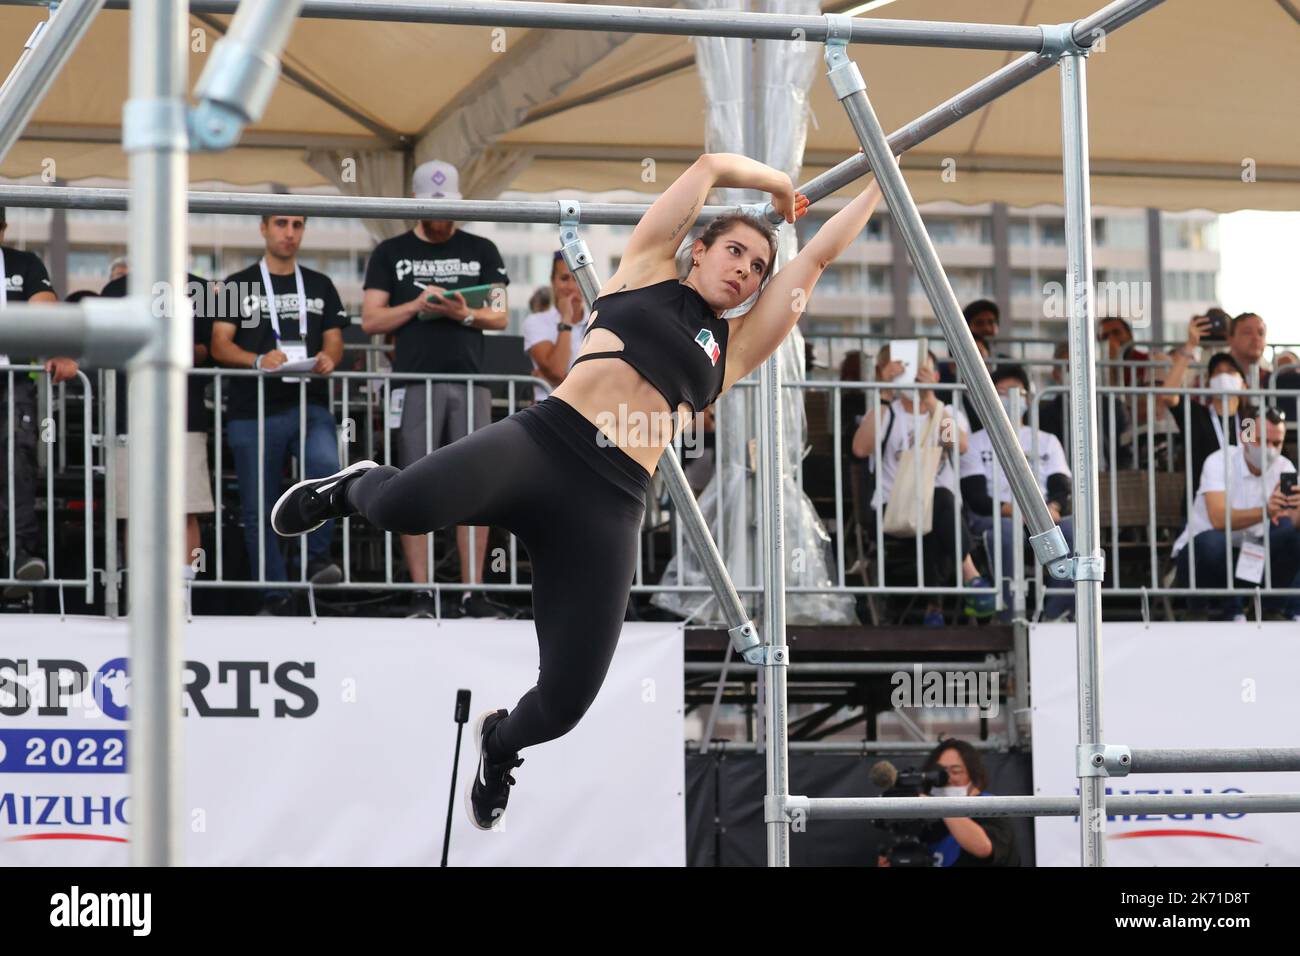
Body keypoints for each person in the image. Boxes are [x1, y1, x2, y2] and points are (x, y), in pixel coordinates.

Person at [271, 151, 877, 830]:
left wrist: (883, 170)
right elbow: (707, 166)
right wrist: (775, 185)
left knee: (565, 702)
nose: (744, 270)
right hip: (542, 446)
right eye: (734, 251)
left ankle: (499, 746)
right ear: (697, 252)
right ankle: (353, 486)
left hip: (609, 505)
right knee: (402, 507)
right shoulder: (646, 267)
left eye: (758, 267)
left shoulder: (733, 347)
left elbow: (817, 258)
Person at [361, 160, 511, 620]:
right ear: (416, 206)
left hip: (470, 381)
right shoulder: (389, 252)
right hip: (414, 381)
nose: (442, 218)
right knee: (413, 480)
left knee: (476, 485)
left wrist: (462, 312)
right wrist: (416, 305)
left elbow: (500, 315)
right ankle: (422, 592)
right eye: (432, 208)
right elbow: (371, 320)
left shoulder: (482, 247)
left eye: (448, 209)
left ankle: (471, 592)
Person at [210, 214, 347, 615]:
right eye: (282, 224)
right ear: (264, 228)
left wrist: (328, 358)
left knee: (326, 469)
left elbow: (335, 341)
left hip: (309, 404)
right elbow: (220, 345)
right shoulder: (235, 284)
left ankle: (317, 564)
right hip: (251, 409)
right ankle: (275, 594)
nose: (290, 232)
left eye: (298, 225)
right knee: (259, 504)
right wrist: (257, 360)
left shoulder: (320, 284)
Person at [850, 346, 994, 625]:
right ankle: (971, 575)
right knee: (937, 501)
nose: (911, 374)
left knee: (934, 508)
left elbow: (959, 445)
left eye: (920, 368)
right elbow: (860, 448)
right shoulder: (884, 413)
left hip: (938, 514)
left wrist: (929, 399)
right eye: (903, 367)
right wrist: (885, 393)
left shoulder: (946, 411)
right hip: (892, 509)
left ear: (935, 375)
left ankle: (933, 610)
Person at [100, 271, 216, 577]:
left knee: (185, 509)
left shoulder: (198, 288)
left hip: (185, 414)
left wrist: (177, 346)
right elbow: (104, 349)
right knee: (135, 512)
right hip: (130, 416)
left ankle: (184, 595)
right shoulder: (116, 289)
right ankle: (138, 596)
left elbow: (209, 349)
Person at [960, 365, 1075, 622]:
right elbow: (975, 496)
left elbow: (1061, 487)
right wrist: (1020, 512)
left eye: (1018, 392)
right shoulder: (975, 441)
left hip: (1044, 517)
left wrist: (1052, 508)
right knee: (1005, 533)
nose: (1011, 398)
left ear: (1029, 398)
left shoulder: (1047, 440)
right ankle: (1009, 617)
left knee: (1075, 531)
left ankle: (1056, 615)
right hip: (996, 517)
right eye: (1002, 392)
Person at [0, 207, 73, 599]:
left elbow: (45, 310)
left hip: (11, 381)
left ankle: (19, 557)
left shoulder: (23, 262)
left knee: (18, 461)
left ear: (3, 227)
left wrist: (57, 350)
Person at [1171, 407, 1300, 621]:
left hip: (1252, 557)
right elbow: (1219, 519)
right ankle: (1199, 610)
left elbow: (1293, 522)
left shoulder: (1284, 467)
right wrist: (1266, 511)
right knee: (1213, 543)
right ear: (1245, 437)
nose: (1269, 450)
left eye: (1276, 443)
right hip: (1203, 558)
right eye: (1261, 440)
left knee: (1293, 536)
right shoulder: (1219, 461)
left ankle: (1271, 609)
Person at [886, 739, 1020, 867]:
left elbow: (983, 848)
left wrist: (939, 805)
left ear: (974, 776)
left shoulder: (991, 807)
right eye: (940, 773)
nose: (947, 779)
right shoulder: (928, 822)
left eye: (955, 771)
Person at [1159, 321, 1248, 497]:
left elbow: (1257, 455)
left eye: (1230, 371)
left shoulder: (1248, 420)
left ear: (1244, 385)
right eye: (1217, 372)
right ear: (1207, 384)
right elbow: (1168, 395)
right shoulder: (1197, 415)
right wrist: (1190, 345)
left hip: (1242, 506)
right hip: (1200, 510)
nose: (1223, 375)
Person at [522, 252, 587, 403]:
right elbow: (557, 371)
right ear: (553, 282)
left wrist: (549, 376)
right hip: (549, 408)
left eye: (577, 279)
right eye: (564, 279)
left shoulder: (598, 319)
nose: (571, 287)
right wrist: (566, 320)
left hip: (589, 411)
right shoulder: (535, 322)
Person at [1227, 311, 1269, 387]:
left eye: (1261, 333)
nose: (1256, 338)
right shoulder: (1211, 379)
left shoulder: (1273, 380)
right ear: (1230, 339)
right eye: (1247, 332)